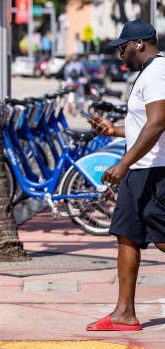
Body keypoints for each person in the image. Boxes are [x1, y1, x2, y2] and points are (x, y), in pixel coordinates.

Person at [86, 19, 165, 332]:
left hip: (155, 170)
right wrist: (115, 130)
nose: (121, 55)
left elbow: (158, 123)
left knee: (161, 239)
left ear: (140, 44)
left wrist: (123, 164)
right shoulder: (149, 73)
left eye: (123, 48)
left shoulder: (158, 71)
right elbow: (143, 125)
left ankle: (124, 312)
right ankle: (124, 313)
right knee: (127, 234)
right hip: (141, 169)